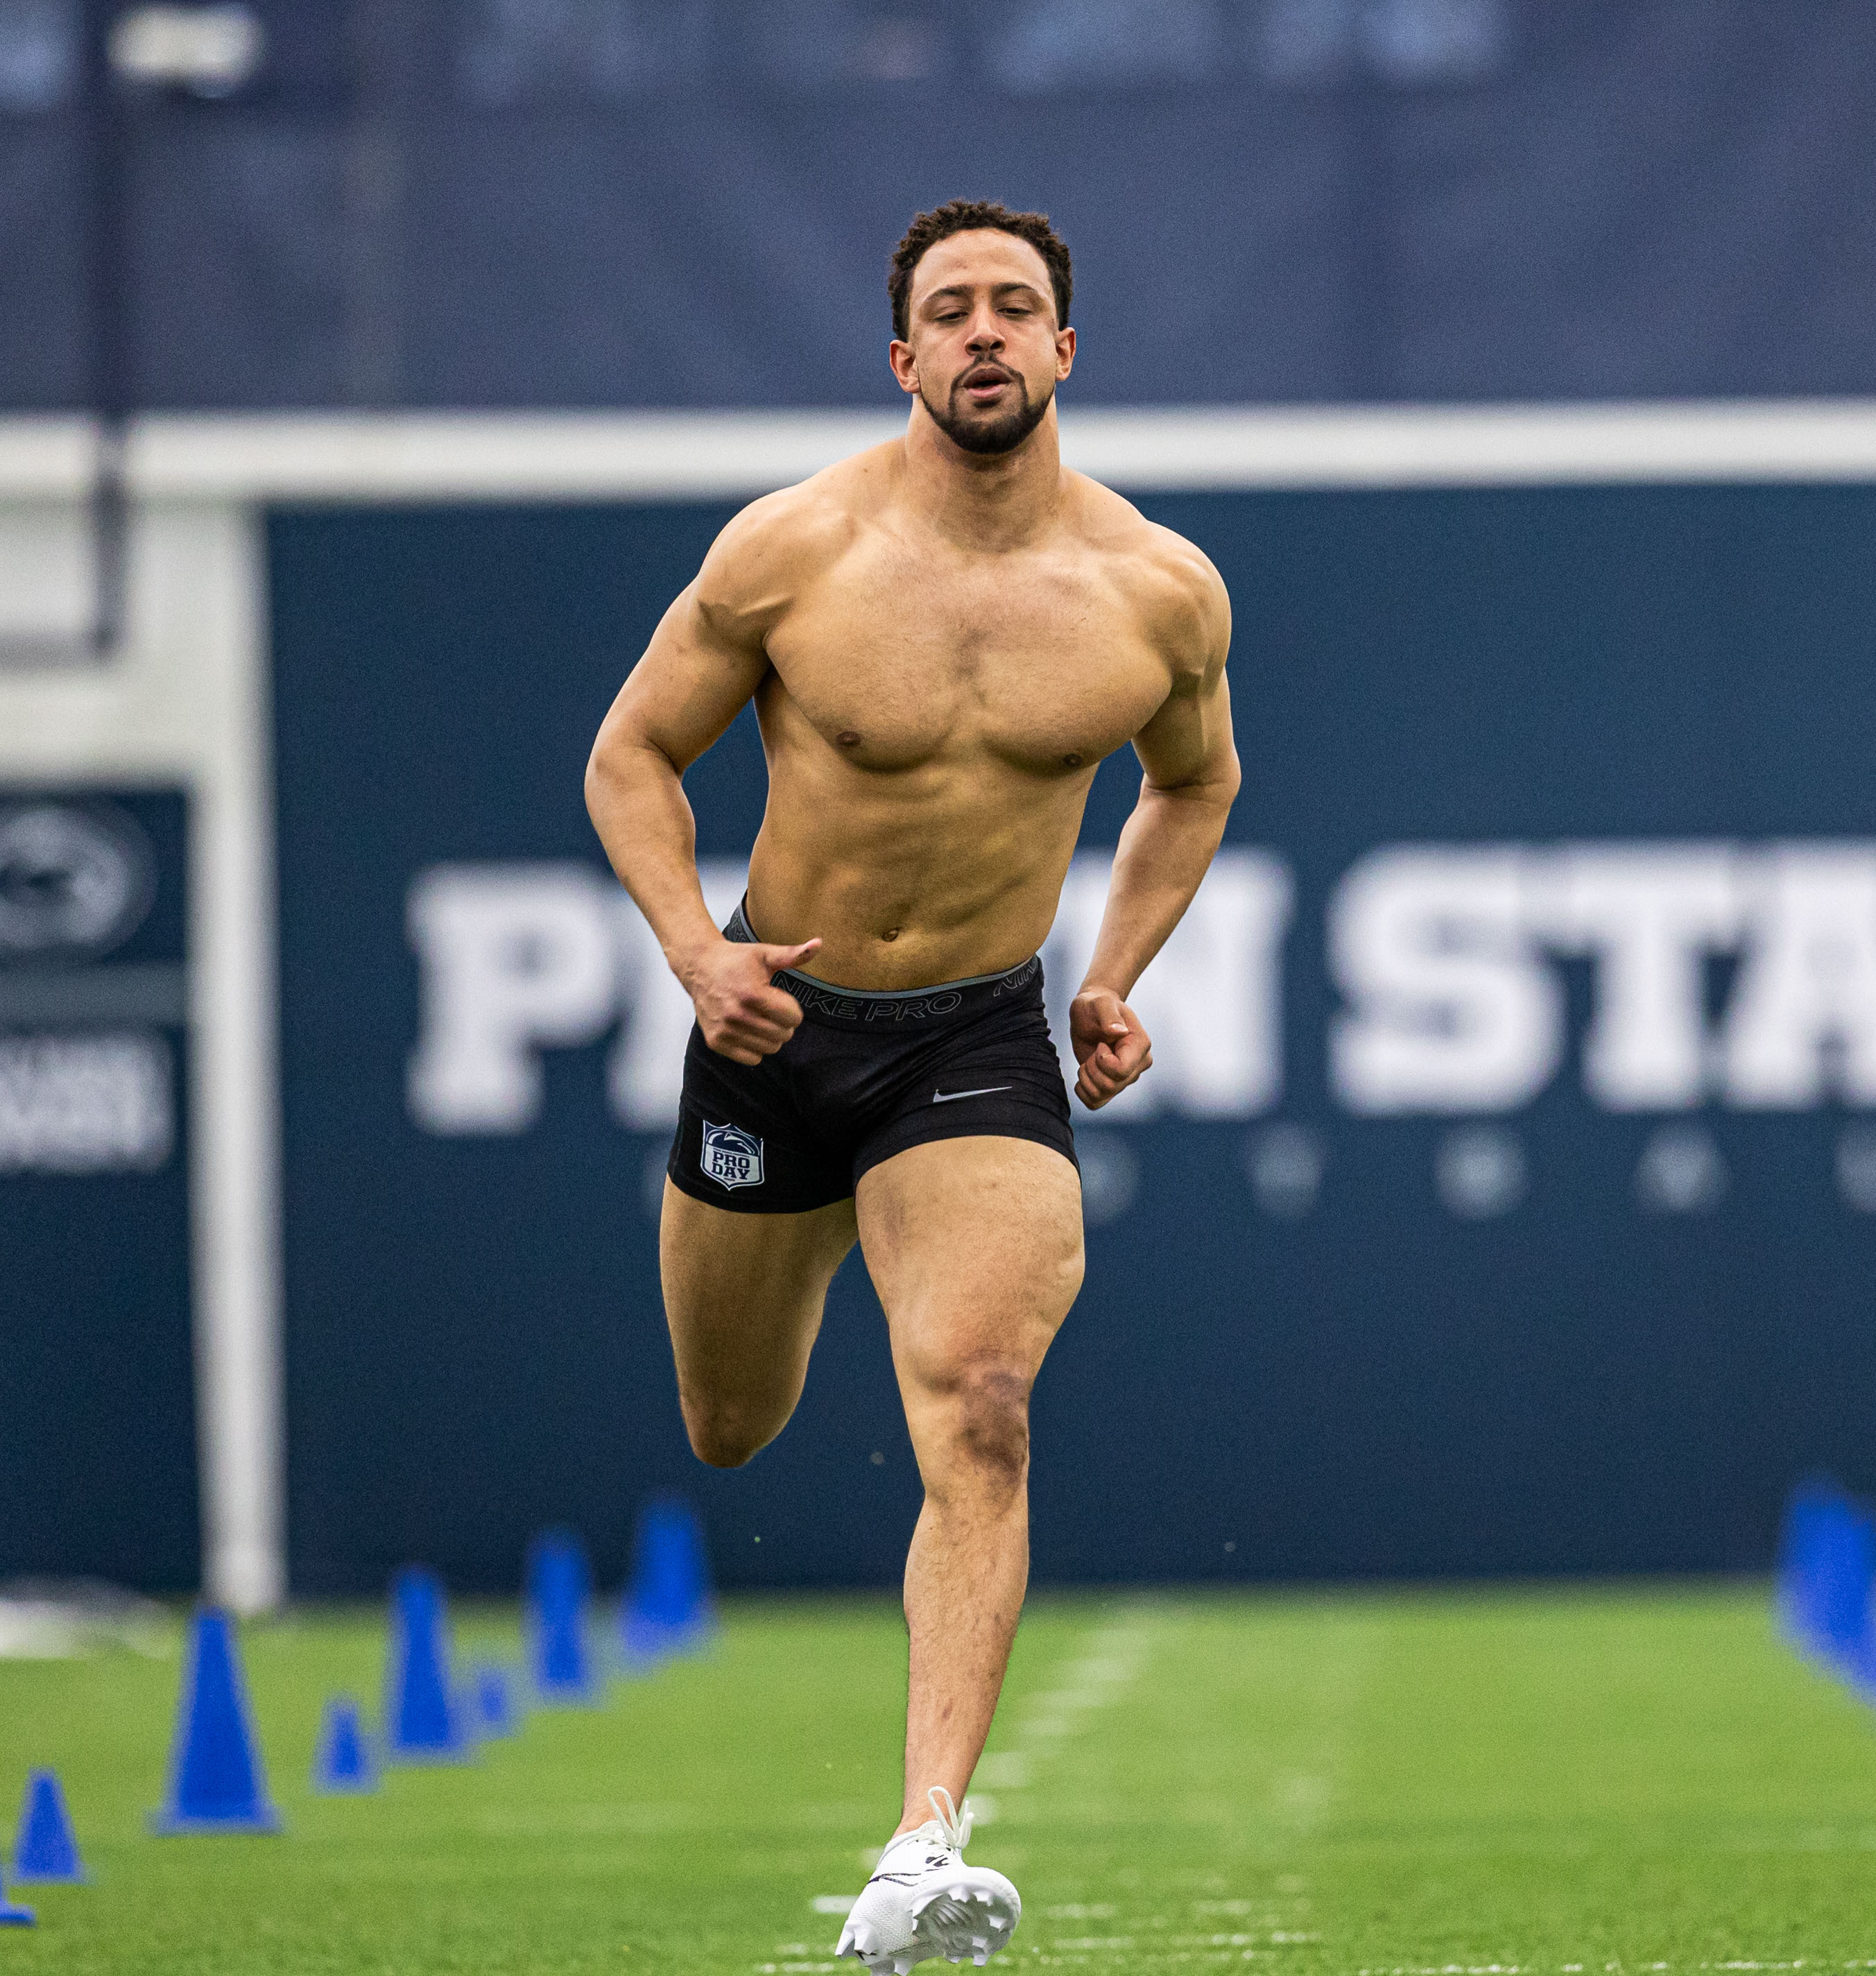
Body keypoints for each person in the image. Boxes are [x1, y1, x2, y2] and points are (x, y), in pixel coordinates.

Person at [583, 198, 1238, 1973]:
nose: (982, 335)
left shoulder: (1154, 591)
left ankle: (923, 1844)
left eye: (1014, 308)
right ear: (903, 359)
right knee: (734, 1423)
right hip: (774, 1033)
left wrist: (1110, 972)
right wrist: (693, 955)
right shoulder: (793, 552)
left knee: (980, 1399)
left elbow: (1195, 785)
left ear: (1063, 352)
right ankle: (915, 1830)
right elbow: (632, 753)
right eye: (948, 311)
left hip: (976, 1037)